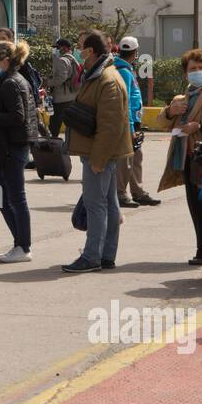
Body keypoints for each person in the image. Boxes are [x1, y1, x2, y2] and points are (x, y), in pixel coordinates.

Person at [62, 31, 133, 273]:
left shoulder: (106, 79)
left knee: (96, 205)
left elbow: (110, 126)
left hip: (99, 153)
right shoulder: (97, 75)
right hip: (97, 152)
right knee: (109, 204)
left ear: (90, 51)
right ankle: (105, 255)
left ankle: (92, 256)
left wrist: (98, 160)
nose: (78, 50)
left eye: (81, 46)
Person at [0, 39, 38, 263]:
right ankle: (19, 243)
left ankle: (23, 246)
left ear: (3, 60)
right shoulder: (9, 80)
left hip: (13, 147)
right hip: (10, 146)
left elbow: (17, 117)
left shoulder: (11, 82)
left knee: (16, 199)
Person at [157, 48, 202, 265]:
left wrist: (198, 125)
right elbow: (159, 123)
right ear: (186, 73)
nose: (198, 72)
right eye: (193, 69)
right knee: (195, 204)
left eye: (201, 68)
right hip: (186, 157)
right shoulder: (183, 97)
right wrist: (169, 111)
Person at [114, 36, 159, 208]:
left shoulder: (124, 68)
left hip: (132, 120)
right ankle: (120, 193)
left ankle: (137, 191)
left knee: (136, 157)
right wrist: (131, 126)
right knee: (126, 158)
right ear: (135, 53)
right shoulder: (123, 71)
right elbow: (124, 101)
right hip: (128, 121)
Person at [0, 27, 42, 101]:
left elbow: (30, 82)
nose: (0, 41)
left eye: (3, 38)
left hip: (16, 98)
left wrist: (34, 103)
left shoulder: (18, 56)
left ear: (11, 40)